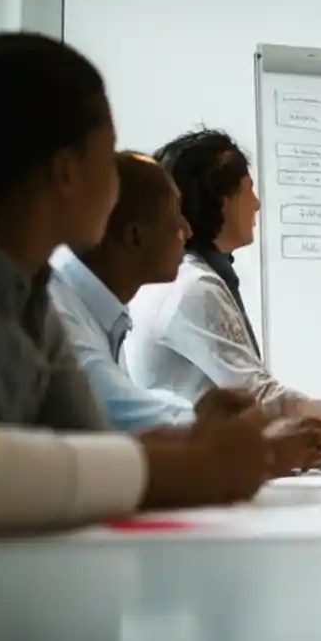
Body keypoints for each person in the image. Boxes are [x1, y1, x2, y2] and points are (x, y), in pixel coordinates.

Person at [0, 29, 318, 535]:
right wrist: (204, 458)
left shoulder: (34, 295)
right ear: (66, 174)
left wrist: (203, 442)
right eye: (106, 156)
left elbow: (93, 433)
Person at [126, 129, 321, 448]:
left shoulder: (191, 279)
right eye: (248, 190)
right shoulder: (190, 287)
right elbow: (260, 397)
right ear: (222, 201)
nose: (257, 203)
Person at [48, 151, 198, 431]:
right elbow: (115, 411)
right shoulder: (58, 309)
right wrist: (217, 425)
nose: (187, 231)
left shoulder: (99, 306)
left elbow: (129, 398)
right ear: (135, 236)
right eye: (176, 214)